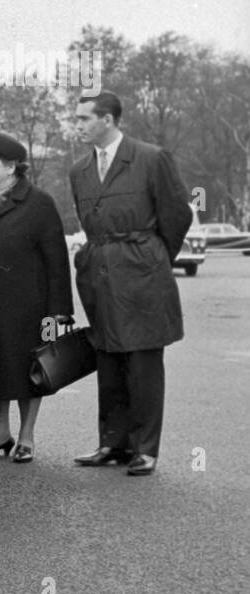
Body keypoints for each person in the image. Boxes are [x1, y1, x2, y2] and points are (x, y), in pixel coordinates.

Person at [70, 92, 191, 476]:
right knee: (107, 358)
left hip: (142, 273)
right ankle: (113, 443)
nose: (78, 125)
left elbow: (178, 215)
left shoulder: (151, 159)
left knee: (142, 361)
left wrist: (152, 257)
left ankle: (144, 448)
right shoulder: (79, 170)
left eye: (84, 118)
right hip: (100, 275)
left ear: (108, 120)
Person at [0, 133, 72, 463]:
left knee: (31, 371)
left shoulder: (39, 204)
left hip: (28, 307)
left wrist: (58, 312)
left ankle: (27, 437)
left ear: (11, 167)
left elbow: (57, 262)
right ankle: (0, 434)